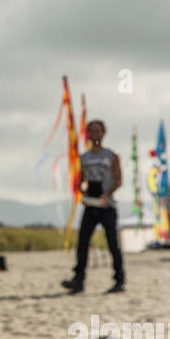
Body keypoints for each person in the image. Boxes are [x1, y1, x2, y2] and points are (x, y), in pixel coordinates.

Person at [62, 118, 125, 294]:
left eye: (98, 131)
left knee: (113, 243)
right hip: (90, 205)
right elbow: (81, 181)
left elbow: (119, 180)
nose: (95, 134)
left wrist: (107, 194)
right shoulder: (83, 158)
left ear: (103, 133)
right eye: (92, 131)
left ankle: (119, 279)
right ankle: (78, 279)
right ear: (87, 134)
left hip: (107, 205)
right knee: (82, 242)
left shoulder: (112, 155)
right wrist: (83, 191)